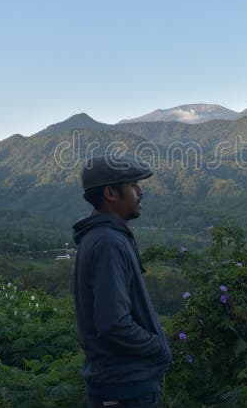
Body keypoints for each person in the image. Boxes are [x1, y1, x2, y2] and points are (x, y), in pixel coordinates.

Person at [73, 154, 172, 407]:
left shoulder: (102, 237)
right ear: (111, 193)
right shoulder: (108, 243)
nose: (140, 191)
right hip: (126, 388)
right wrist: (157, 346)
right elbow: (114, 324)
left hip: (122, 385)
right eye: (133, 185)